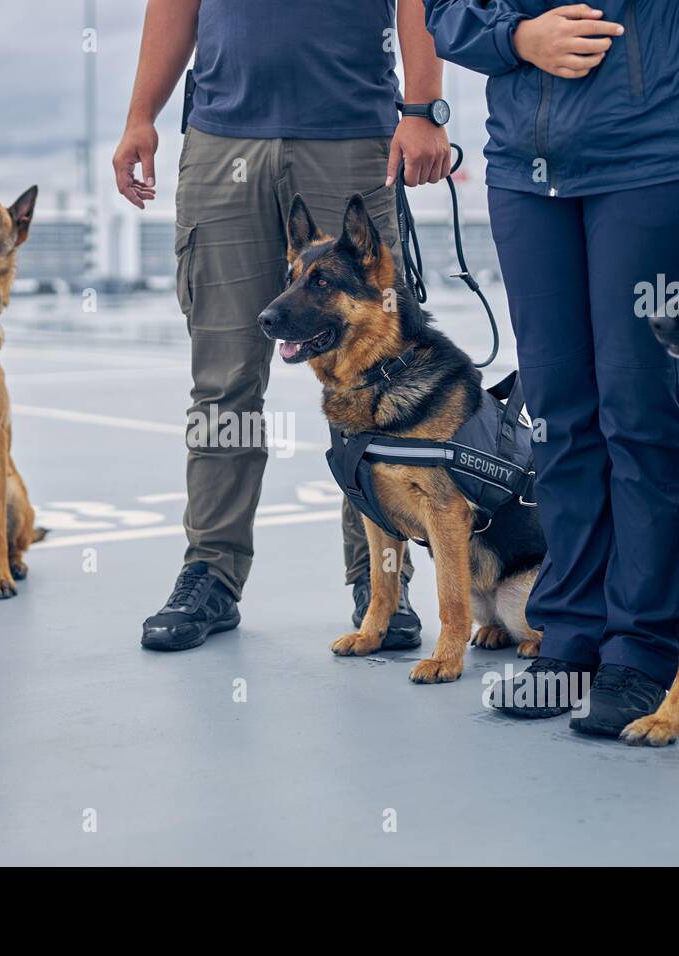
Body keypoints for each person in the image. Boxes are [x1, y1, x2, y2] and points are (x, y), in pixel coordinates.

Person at [423, 0, 679, 733]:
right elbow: (445, 8)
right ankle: (569, 639)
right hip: (526, 176)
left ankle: (642, 649)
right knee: (559, 413)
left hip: (655, 160)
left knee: (639, 410)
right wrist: (517, 37)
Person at [114, 0, 454, 651]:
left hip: (350, 140)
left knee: (374, 382)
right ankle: (211, 572)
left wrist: (422, 108)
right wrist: (139, 117)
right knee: (223, 382)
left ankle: (381, 579)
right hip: (221, 142)